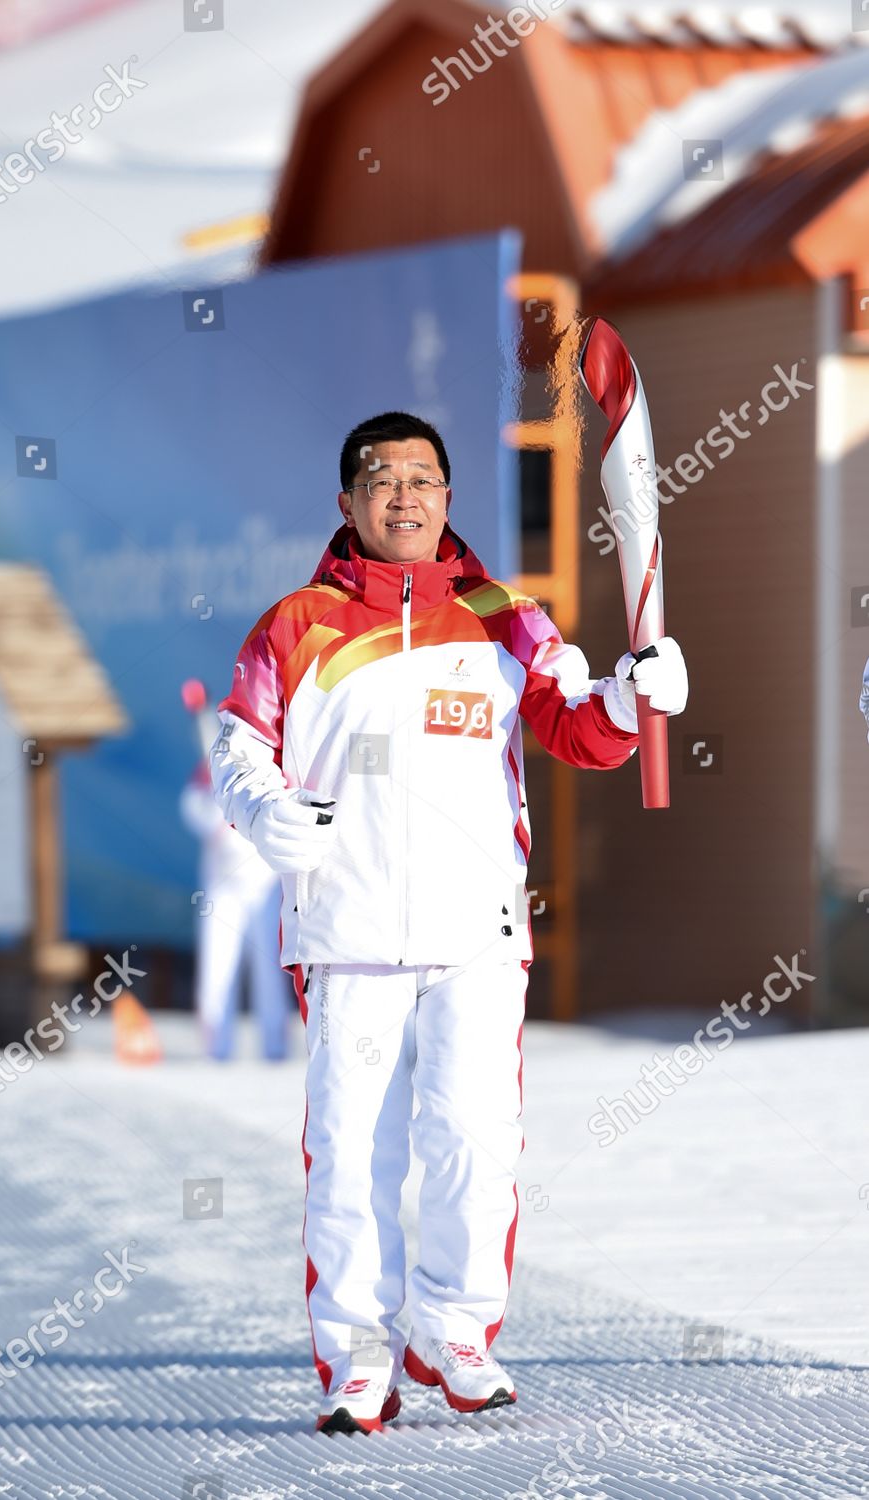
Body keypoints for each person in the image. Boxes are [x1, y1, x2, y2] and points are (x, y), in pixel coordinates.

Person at [210, 411, 688, 1435]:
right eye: (380, 481)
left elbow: (579, 727)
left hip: (477, 929)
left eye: (422, 479)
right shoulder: (297, 623)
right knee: (349, 1154)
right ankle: (354, 1357)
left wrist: (633, 692)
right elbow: (239, 742)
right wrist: (263, 809)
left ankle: (454, 1330)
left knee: (476, 1139)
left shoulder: (505, 616)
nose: (404, 497)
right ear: (346, 503)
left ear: (448, 496)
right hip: (347, 927)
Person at [180, 704, 290, 1062]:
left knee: (269, 967)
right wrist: (213, 821)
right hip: (221, 883)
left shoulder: (278, 761)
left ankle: (274, 1046)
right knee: (217, 965)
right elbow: (193, 804)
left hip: (264, 882)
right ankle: (217, 1046)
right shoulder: (212, 763)